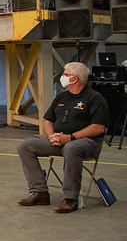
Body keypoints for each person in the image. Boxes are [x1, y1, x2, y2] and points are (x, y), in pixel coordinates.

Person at [16, 62, 109, 213]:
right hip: (59, 141)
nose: (63, 77)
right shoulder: (61, 96)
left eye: (66, 74)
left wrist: (70, 137)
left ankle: (70, 199)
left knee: (72, 148)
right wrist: (52, 136)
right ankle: (40, 192)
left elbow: (98, 127)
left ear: (75, 79)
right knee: (25, 147)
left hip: (86, 143)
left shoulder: (94, 98)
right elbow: (48, 120)